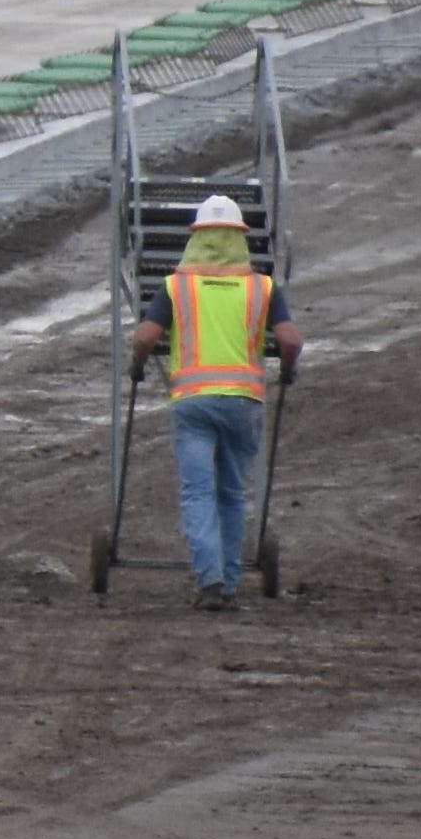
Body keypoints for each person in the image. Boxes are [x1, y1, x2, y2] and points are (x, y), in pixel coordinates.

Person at [125, 194, 302, 609]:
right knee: (231, 493)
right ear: (241, 237)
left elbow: (145, 337)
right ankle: (230, 585)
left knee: (198, 493)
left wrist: (136, 365)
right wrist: (287, 370)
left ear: (196, 238)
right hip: (244, 403)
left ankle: (210, 581)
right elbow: (291, 339)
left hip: (194, 403)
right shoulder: (263, 287)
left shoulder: (176, 286)